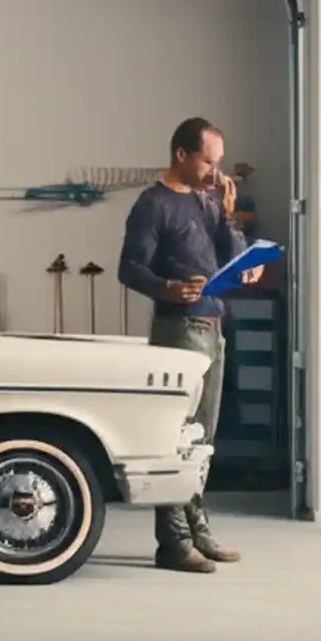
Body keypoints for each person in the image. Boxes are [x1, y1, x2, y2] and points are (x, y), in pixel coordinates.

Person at [117, 117, 264, 574]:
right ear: (181, 154)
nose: (215, 171)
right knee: (176, 438)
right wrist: (166, 289)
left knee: (203, 440)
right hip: (179, 329)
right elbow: (129, 268)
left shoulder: (208, 200)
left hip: (213, 326)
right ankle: (173, 543)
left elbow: (234, 257)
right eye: (208, 161)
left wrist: (234, 225)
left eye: (218, 162)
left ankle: (198, 529)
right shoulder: (153, 204)